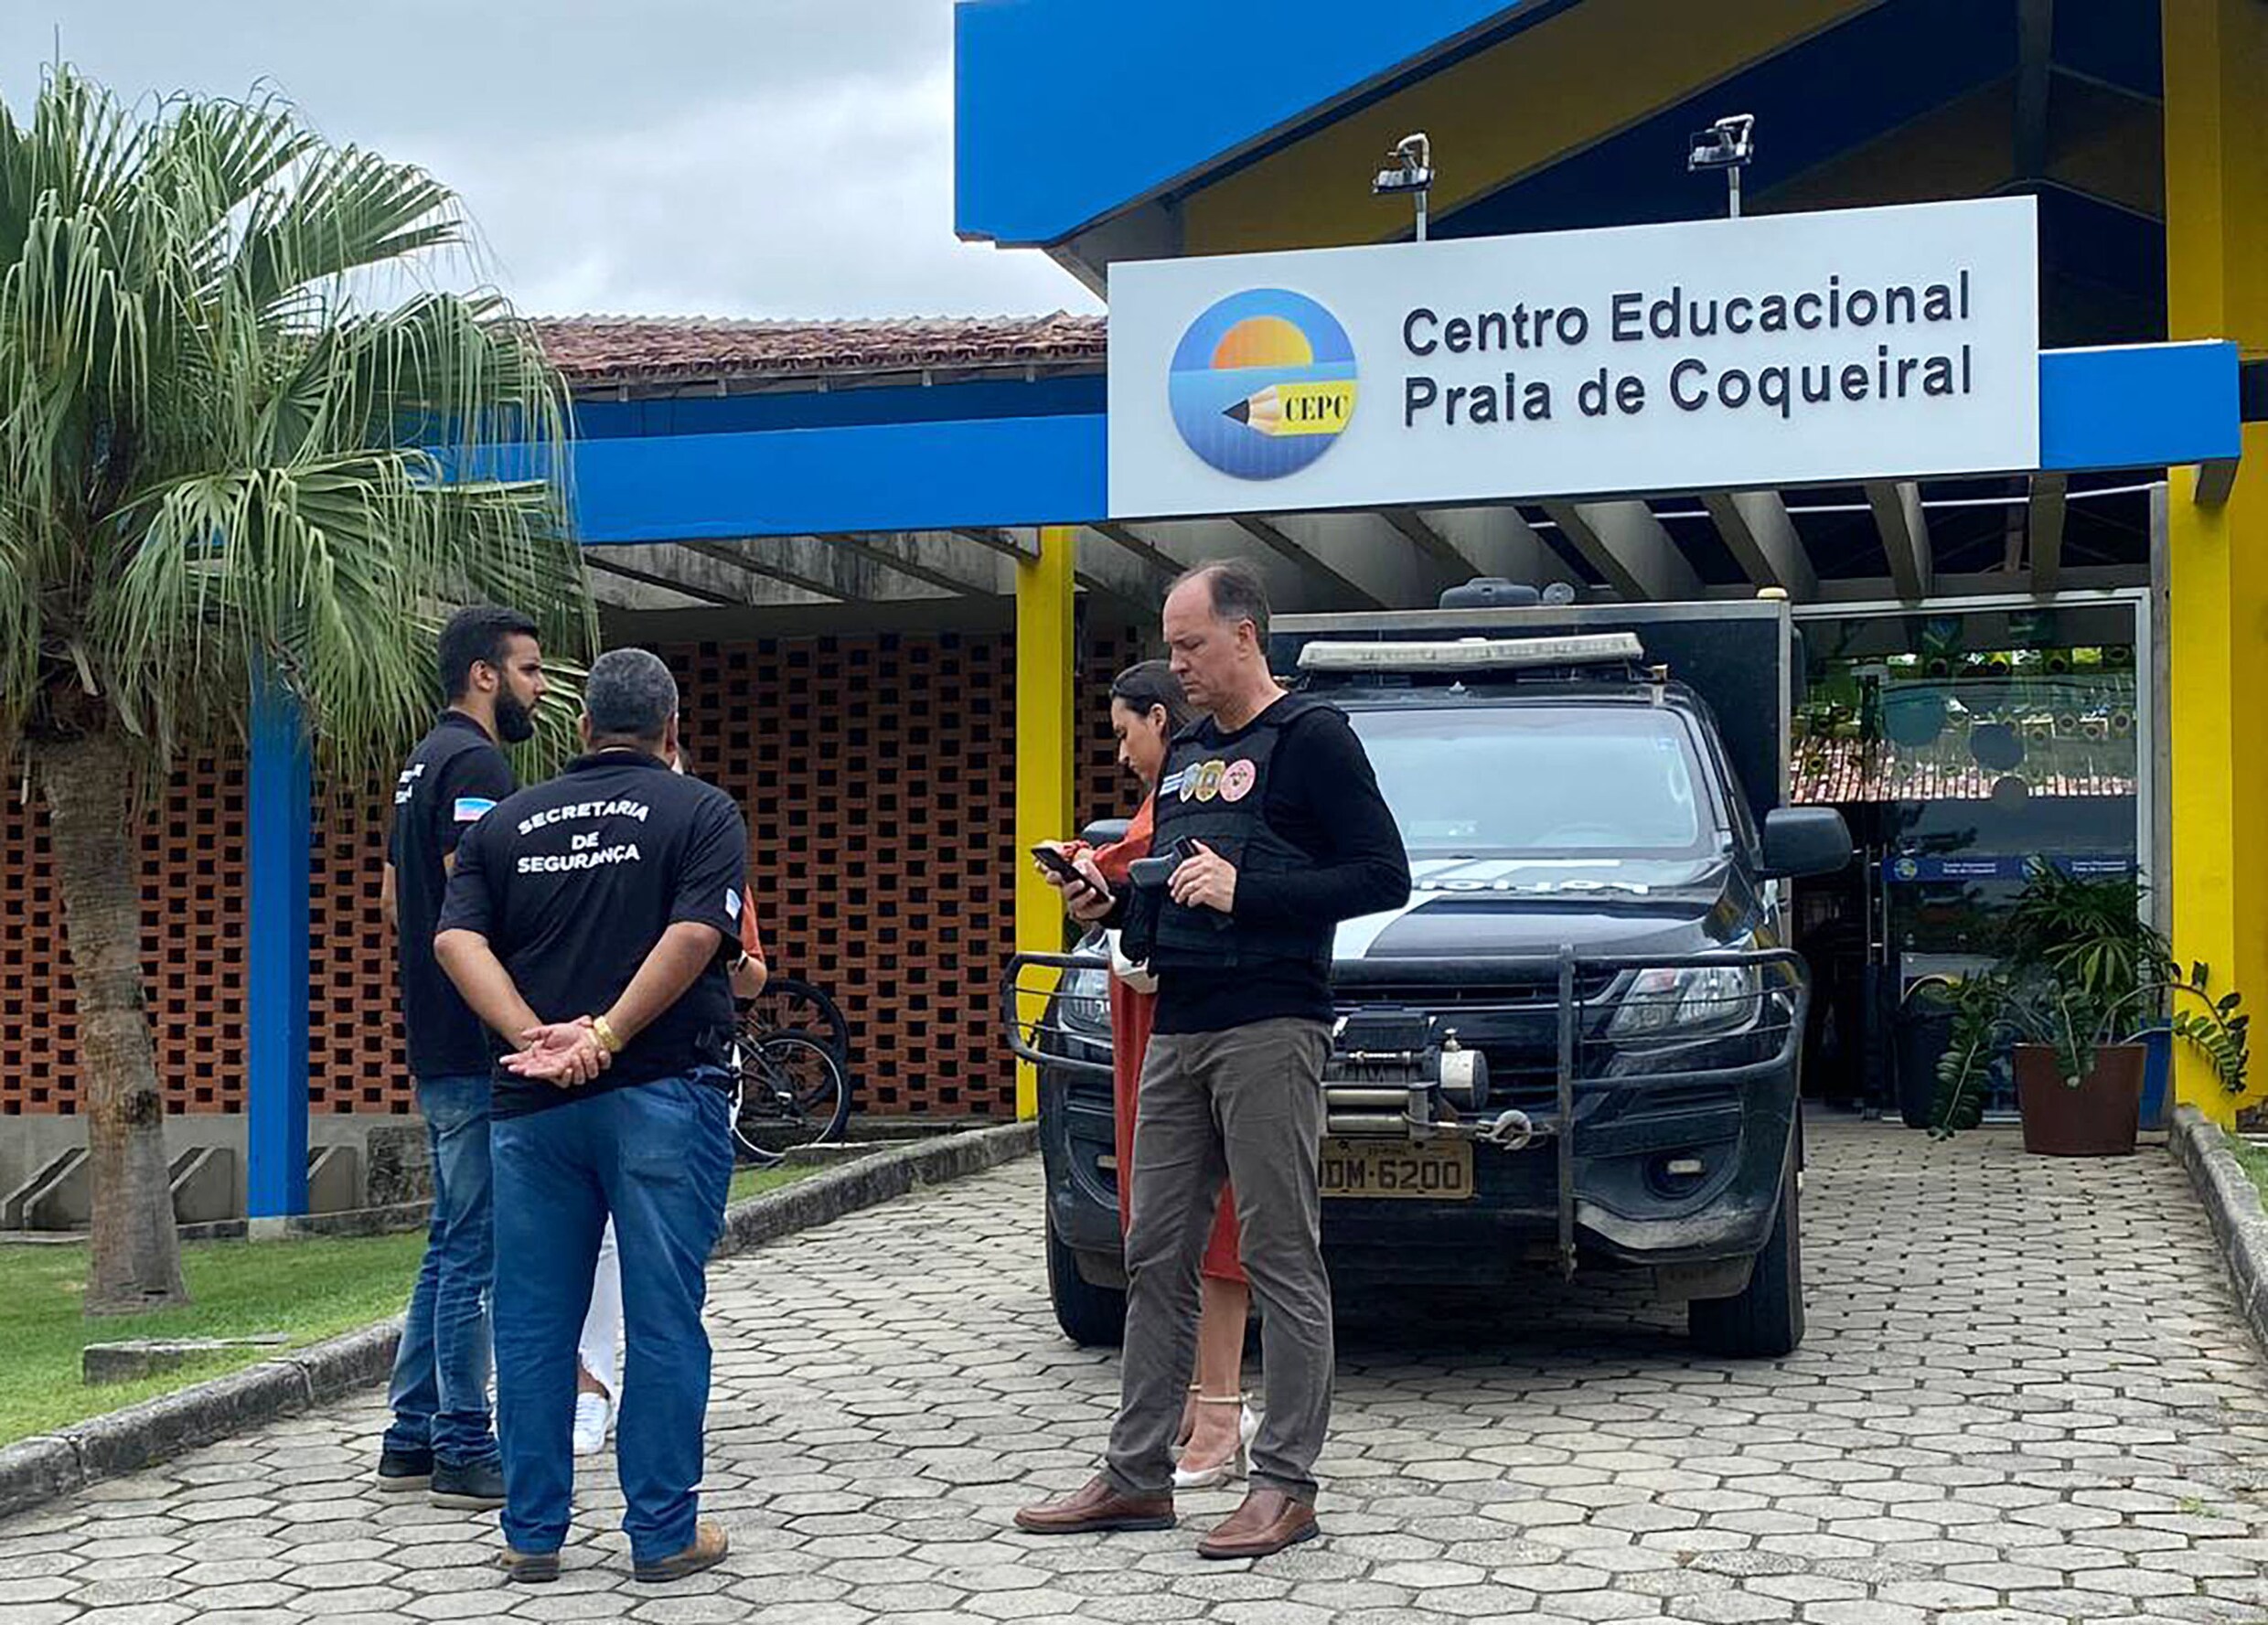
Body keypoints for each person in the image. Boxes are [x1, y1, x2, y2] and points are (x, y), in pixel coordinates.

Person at [1017, 561, 1410, 1559]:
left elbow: (1381, 874)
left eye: (1190, 644)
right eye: (1171, 643)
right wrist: (1110, 906)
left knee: (1280, 1252)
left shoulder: (1312, 739)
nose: (1176, 663)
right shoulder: (1186, 751)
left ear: (1245, 636)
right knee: (1152, 1253)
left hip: (1271, 1025)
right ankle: (1136, 1473)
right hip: (1179, 1027)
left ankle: (1284, 1483)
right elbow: (1172, 884)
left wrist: (1249, 891)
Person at [435, 648, 748, 1586]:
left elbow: (454, 936)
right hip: (660, 1090)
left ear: (578, 732)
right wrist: (604, 1035)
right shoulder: (700, 810)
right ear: (672, 729)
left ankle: (532, 1532)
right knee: (660, 1314)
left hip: (533, 1107)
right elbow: (697, 935)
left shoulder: (509, 821)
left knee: (533, 1321)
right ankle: (662, 1534)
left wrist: (537, 1034)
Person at [1040, 661, 1257, 1490]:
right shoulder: (1163, 799)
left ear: (1161, 719)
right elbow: (1134, 859)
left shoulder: (1209, 792)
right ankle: (1187, 1399)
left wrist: (1101, 866)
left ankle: (1221, 1404)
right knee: (1162, 1223)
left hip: (1209, 1021)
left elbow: (1150, 861)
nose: (1124, 752)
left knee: (1219, 1219)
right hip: (1152, 1028)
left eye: (1128, 732)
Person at [375, 604, 547, 1510]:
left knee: (449, 1238)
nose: (540, 687)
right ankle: (460, 1445)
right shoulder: (477, 763)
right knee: (475, 1248)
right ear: (482, 674)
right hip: (473, 1036)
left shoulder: (417, 762)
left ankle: (408, 1434)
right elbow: (476, 890)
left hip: (431, 1030)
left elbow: (397, 892)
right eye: (527, 670)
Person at [572, 745, 767, 1459]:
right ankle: (591, 1388)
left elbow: (750, 975)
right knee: (591, 1245)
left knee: (668, 1255)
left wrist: (722, 955)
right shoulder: (573, 841)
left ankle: (660, 1438)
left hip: (684, 1071)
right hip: (589, 1068)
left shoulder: (707, 841)